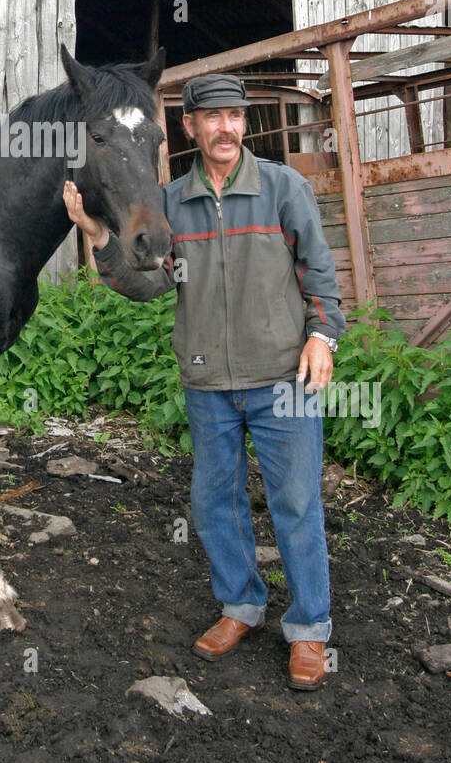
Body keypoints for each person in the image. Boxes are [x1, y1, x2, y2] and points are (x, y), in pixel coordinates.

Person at [63, 72, 346, 691]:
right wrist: (97, 238)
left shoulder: (282, 188)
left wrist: (323, 337)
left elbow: (319, 271)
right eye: (212, 118)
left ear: (245, 124)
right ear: (188, 129)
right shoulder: (171, 204)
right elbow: (150, 285)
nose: (225, 128)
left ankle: (308, 630)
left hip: (282, 378)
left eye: (235, 117)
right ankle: (240, 607)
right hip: (207, 381)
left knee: (295, 502)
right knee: (215, 501)